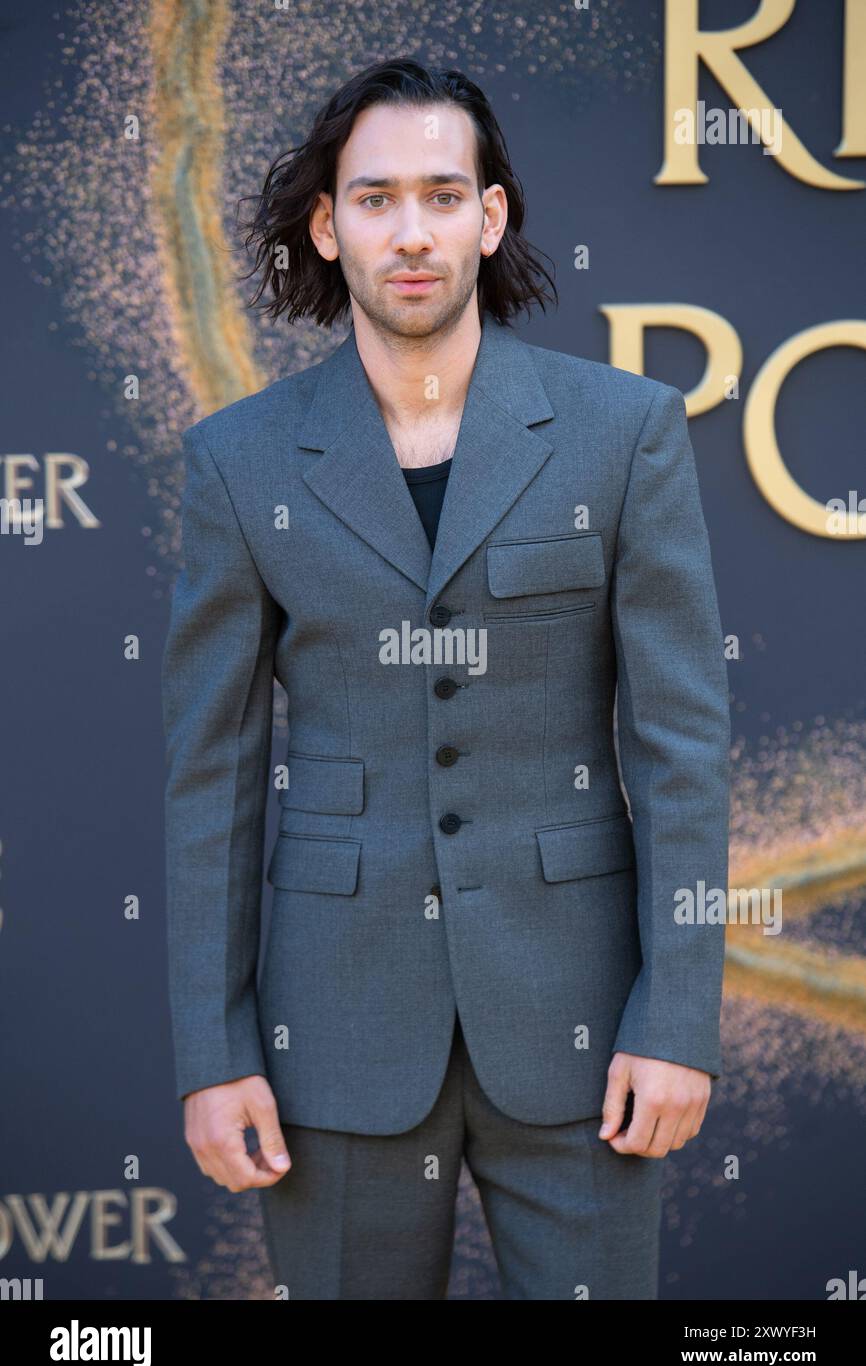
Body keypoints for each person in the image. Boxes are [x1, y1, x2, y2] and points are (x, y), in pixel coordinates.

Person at [161, 57, 730, 1300]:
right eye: (372, 199)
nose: (408, 232)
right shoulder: (238, 458)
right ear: (327, 225)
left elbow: (683, 747)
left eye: (439, 193)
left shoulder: (621, 430)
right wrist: (213, 1052)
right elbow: (212, 776)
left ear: (491, 215)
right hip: (335, 1033)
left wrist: (675, 1021)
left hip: (582, 1034)